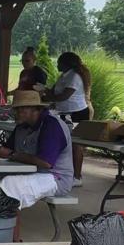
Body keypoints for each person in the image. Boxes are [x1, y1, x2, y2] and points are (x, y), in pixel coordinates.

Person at [0, 91, 74, 242]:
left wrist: (14, 154)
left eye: (22, 109)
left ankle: (11, 240)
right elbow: (5, 150)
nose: (17, 113)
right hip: (33, 173)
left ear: (36, 109)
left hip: (55, 177)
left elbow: (45, 162)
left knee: (10, 185)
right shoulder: (22, 127)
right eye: (16, 109)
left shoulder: (51, 125)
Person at [43, 51, 91, 188]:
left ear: (66, 64)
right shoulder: (63, 76)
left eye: (59, 62)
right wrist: (45, 91)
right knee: (63, 142)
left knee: (76, 145)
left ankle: (77, 176)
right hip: (64, 112)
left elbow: (65, 96)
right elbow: (54, 92)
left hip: (77, 113)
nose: (57, 64)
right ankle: (64, 173)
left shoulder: (74, 77)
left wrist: (51, 97)